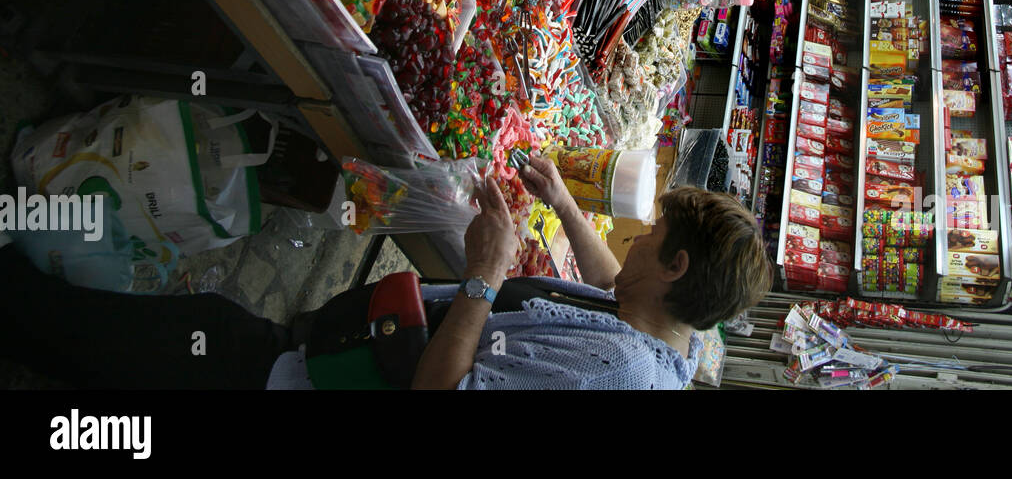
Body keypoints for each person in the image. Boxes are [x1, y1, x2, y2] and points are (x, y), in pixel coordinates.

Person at [0, 155, 772, 390]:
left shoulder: (616, 371)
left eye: (650, 235)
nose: (631, 240)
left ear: (676, 266)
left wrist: (482, 275)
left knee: (167, 344)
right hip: (316, 354)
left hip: (302, 383)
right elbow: (612, 286)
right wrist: (567, 206)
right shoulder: (665, 340)